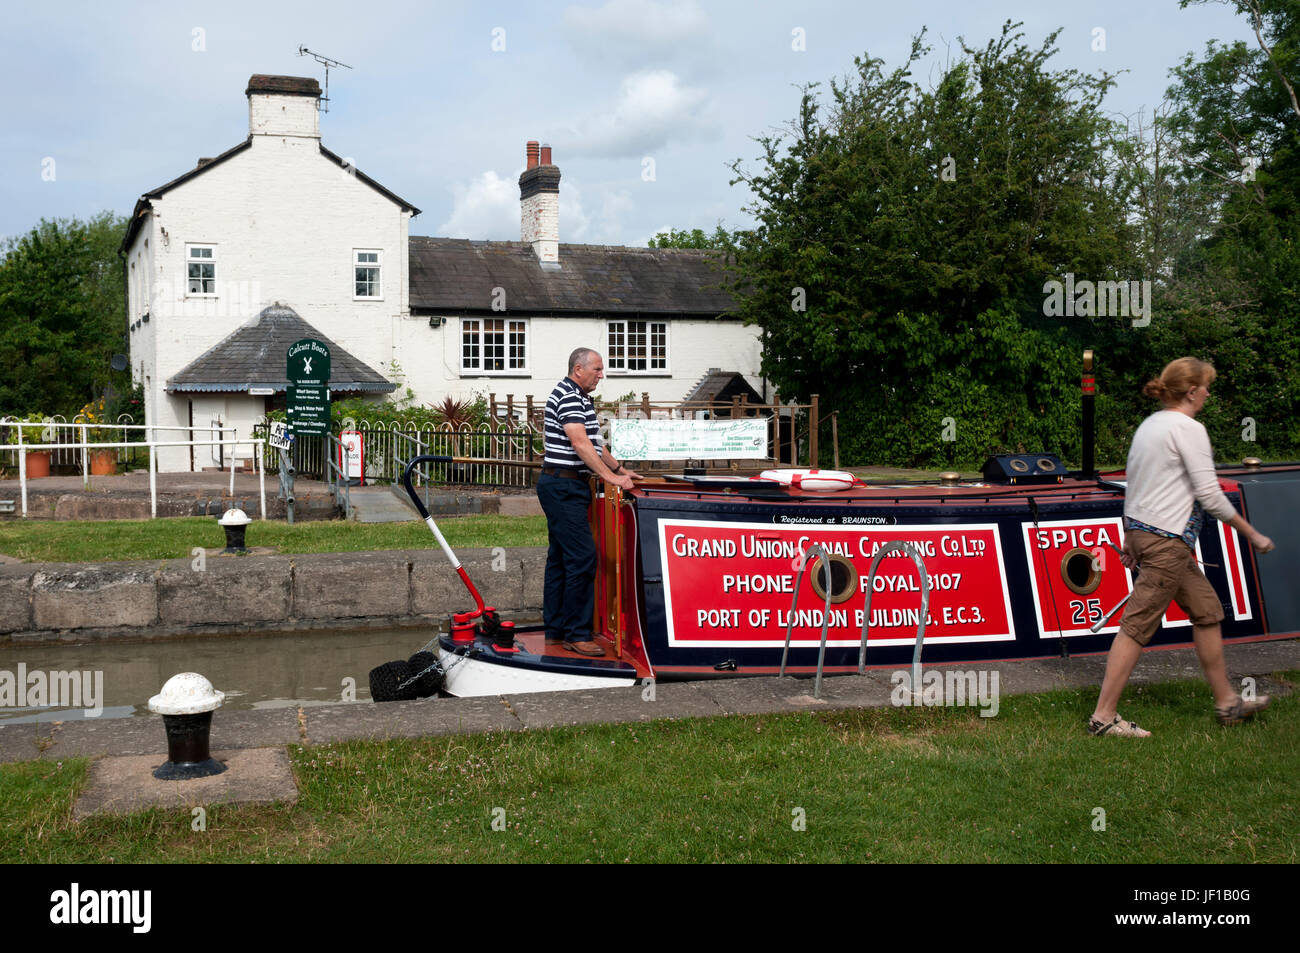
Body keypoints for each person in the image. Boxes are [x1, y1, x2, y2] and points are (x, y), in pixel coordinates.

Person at [1089, 357, 1275, 737]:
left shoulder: (1149, 426)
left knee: (1207, 612)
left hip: (1152, 536)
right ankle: (1103, 719)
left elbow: (1136, 485)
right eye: (1205, 387)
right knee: (1136, 627)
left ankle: (1227, 705)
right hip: (1166, 543)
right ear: (1191, 391)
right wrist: (1251, 533)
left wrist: (1131, 537)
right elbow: (1209, 493)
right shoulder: (1188, 429)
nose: (1208, 393)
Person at [537, 348, 638, 656]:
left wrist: (620, 469)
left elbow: (595, 444)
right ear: (578, 369)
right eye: (597, 369)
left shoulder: (580, 398)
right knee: (582, 558)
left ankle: (555, 629)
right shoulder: (568, 395)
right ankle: (577, 634)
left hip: (566, 486)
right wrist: (611, 478)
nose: (601, 374)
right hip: (563, 486)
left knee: (561, 559)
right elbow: (579, 443)